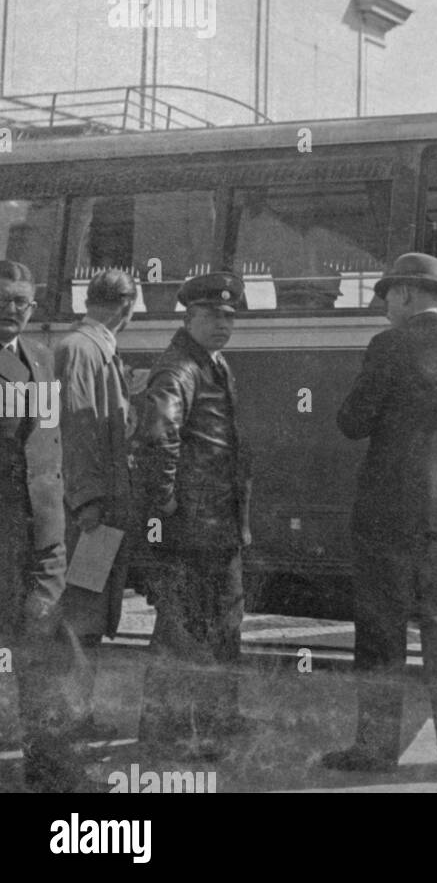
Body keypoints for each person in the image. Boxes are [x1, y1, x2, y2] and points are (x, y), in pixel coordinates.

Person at [323, 252, 437, 780]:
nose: (384, 307)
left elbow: (353, 421)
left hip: (391, 509)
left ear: (403, 294)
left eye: (385, 297)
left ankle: (376, 748)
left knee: (382, 629)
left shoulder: (388, 345)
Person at [136, 271, 252, 756]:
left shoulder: (211, 363)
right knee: (185, 626)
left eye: (229, 316)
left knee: (221, 620)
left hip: (218, 522)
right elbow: (158, 436)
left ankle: (215, 718)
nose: (223, 324)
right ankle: (169, 730)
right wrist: (166, 502)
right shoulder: (180, 368)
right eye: (212, 315)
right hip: (194, 524)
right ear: (190, 317)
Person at [0, 260, 84, 791]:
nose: (12, 310)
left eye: (21, 302)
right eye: (2, 300)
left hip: (43, 534)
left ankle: (51, 771)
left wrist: (59, 515)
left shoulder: (41, 357)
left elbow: (50, 442)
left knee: (45, 650)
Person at [54, 268, 139, 739]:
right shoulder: (84, 349)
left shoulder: (88, 347)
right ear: (128, 306)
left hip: (97, 508)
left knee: (86, 610)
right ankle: (71, 717)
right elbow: (77, 428)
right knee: (81, 612)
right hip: (90, 512)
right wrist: (88, 500)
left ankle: (74, 714)